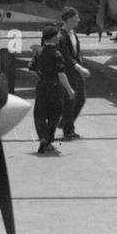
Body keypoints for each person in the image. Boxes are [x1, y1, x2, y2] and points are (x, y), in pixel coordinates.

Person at [27, 26, 74, 155]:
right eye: (58, 35)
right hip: (55, 87)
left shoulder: (39, 52)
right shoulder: (57, 54)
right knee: (55, 114)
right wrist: (69, 90)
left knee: (40, 114)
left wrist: (42, 75)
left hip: (42, 86)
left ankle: (42, 137)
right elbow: (61, 74)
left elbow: (31, 68)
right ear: (53, 38)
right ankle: (47, 140)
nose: (59, 37)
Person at [57, 8, 91, 141]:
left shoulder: (72, 33)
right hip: (68, 71)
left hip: (75, 71)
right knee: (70, 101)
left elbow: (75, 53)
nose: (78, 20)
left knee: (81, 99)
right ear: (69, 19)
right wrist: (80, 68)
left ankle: (65, 122)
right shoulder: (61, 36)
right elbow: (66, 56)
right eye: (76, 18)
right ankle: (68, 131)